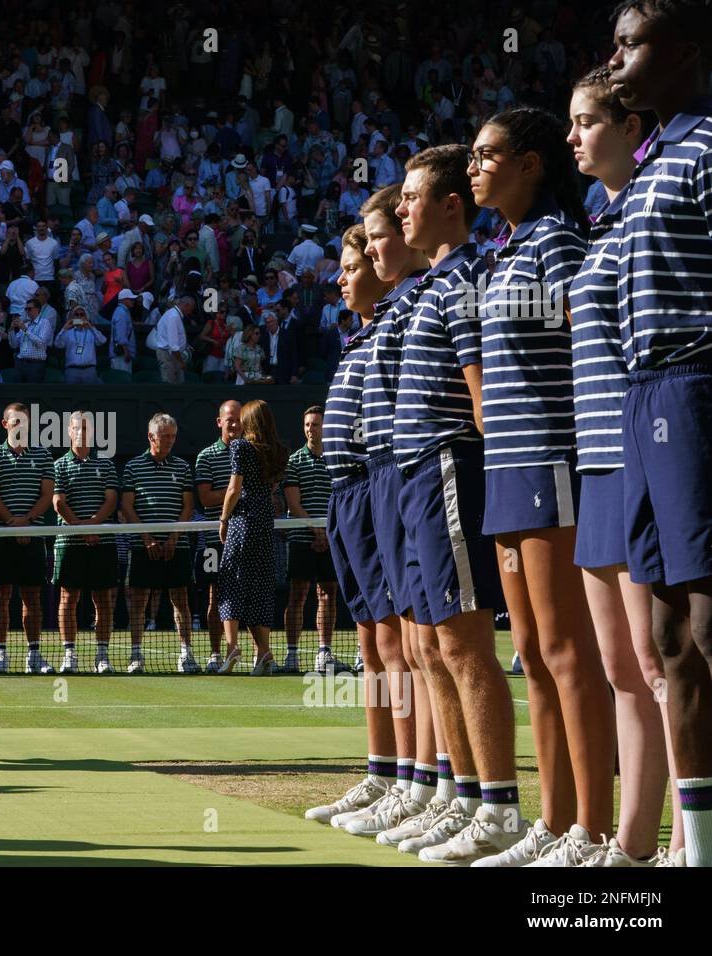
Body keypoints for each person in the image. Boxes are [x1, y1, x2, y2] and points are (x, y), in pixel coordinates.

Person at [468, 107, 615, 866]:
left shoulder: (557, 239)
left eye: (487, 155)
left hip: (550, 462)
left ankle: (594, 829)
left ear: (529, 164)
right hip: (505, 469)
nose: (473, 168)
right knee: (529, 650)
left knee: (565, 652)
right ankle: (553, 825)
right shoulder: (504, 251)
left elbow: (589, 336)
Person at [391, 146, 520, 864]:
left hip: (449, 465)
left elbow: (481, 395)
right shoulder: (432, 284)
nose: (401, 208)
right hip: (419, 472)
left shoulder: (465, 277)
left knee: (466, 644)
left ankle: (497, 806)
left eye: (413, 197)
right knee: (441, 645)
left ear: (450, 207)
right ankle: (465, 799)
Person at [566, 65, 681, 868]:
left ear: (630, 127)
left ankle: (689, 838)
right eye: (571, 123)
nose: (574, 136)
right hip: (597, 462)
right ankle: (634, 844)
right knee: (622, 670)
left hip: (644, 452)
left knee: (661, 661)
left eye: (588, 121)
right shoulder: (598, 221)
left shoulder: (651, 207)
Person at [608, 0, 712, 868]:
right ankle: (696, 849)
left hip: (694, 384)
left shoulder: (708, 147)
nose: (615, 60)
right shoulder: (648, 164)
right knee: (669, 637)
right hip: (643, 398)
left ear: (682, 52)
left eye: (630, 44)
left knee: (707, 627)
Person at [321, 223, 422, 837]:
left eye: (352, 268)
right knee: (369, 643)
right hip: (347, 493)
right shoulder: (357, 337)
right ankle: (382, 772)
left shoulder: (394, 323)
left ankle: (411, 778)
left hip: (376, 483)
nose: (342, 279)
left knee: (395, 643)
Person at [121, 412, 197, 674]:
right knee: (138, 601)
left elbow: (187, 506)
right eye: (165, 436)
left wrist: (173, 538)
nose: (170, 441)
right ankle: (135, 655)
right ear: (151, 437)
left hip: (177, 546)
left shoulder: (183, 467)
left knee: (181, 601)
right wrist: (147, 539)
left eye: (173, 436)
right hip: (142, 546)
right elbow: (127, 506)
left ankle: (186, 654)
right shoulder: (133, 467)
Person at [0, 403, 56, 674]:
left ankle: (34, 655)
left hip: (33, 535)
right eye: (15, 421)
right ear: (5, 424)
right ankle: (0, 655)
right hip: (2, 535)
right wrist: (13, 524)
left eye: (24, 421)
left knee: (32, 597)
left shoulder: (43, 455)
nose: (20, 426)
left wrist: (27, 521)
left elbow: (47, 495)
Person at [218, 399, 288, 676]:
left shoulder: (240, 447)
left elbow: (234, 489)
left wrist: (224, 519)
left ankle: (232, 648)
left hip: (243, 521)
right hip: (265, 521)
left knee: (231, 582)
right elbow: (271, 487)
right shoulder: (277, 450)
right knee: (260, 586)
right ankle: (264, 653)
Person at [281, 407, 348, 676]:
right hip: (301, 538)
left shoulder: (336, 459)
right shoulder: (294, 461)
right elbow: (293, 504)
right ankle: (292, 655)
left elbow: (341, 499)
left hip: (331, 538)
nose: (311, 429)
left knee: (328, 593)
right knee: (297, 594)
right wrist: (316, 530)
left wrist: (327, 533)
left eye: (316, 424)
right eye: (307, 424)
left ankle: (324, 653)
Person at [53, 411, 121, 674]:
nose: (82, 432)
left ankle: (102, 656)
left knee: (103, 599)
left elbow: (111, 500)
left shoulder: (106, 465)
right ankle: (69, 654)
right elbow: (59, 503)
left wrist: (93, 526)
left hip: (101, 542)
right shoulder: (59, 465)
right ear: (69, 432)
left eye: (86, 428)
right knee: (68, 598)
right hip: (70, 543)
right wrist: (83, 530)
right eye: (77, 428)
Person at [194, 400, 242, 673]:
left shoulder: (251, 451)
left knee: (248, 595)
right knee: (216, 596)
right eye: (229, 419)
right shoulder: (207, 456)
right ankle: (215, 653)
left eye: (238, 418)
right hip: (216, 540)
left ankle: (251, 652)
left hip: (246, 536)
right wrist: (236, 491)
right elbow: (205, 498)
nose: (234, 423)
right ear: (219, 422)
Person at [53, 305, 107, 384]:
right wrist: (65, 328)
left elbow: (102, 341)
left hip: (89, 370)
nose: (79, 317)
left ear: (86, 317)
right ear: (73, 317)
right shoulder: (68, 333)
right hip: (72, 370)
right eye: (76, 314)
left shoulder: (92, 332)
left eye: (82, 314)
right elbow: (57, 344)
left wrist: (91, 327)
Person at [148, 295, 192, 384]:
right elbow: (174, 346)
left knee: (177, 383)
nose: (190, 312)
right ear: (187, 305)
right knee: (170, 385)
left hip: (172, 355)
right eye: (191, 309)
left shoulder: (173, 314)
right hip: (168, 355)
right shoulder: (173, 316)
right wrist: (181, 362)